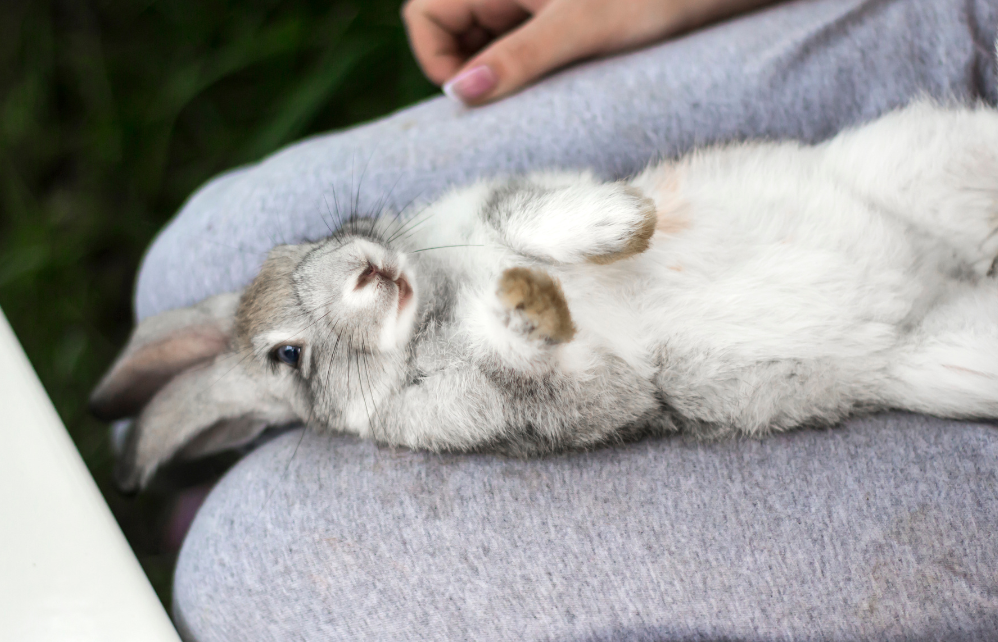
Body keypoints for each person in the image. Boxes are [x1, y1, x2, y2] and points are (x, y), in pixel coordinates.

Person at [156, 1, 998, 639]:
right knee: (961, 367)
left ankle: (189, 489)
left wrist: (544, 225)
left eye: (317, 252)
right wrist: (519, 333)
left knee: (240, 550)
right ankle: (194, 465)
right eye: (295, 351)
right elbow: (560, 398)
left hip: (838, 186)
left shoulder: (430, 240)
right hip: (857, 350)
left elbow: (506, 208)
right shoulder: (414, 405)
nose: (347, 267)